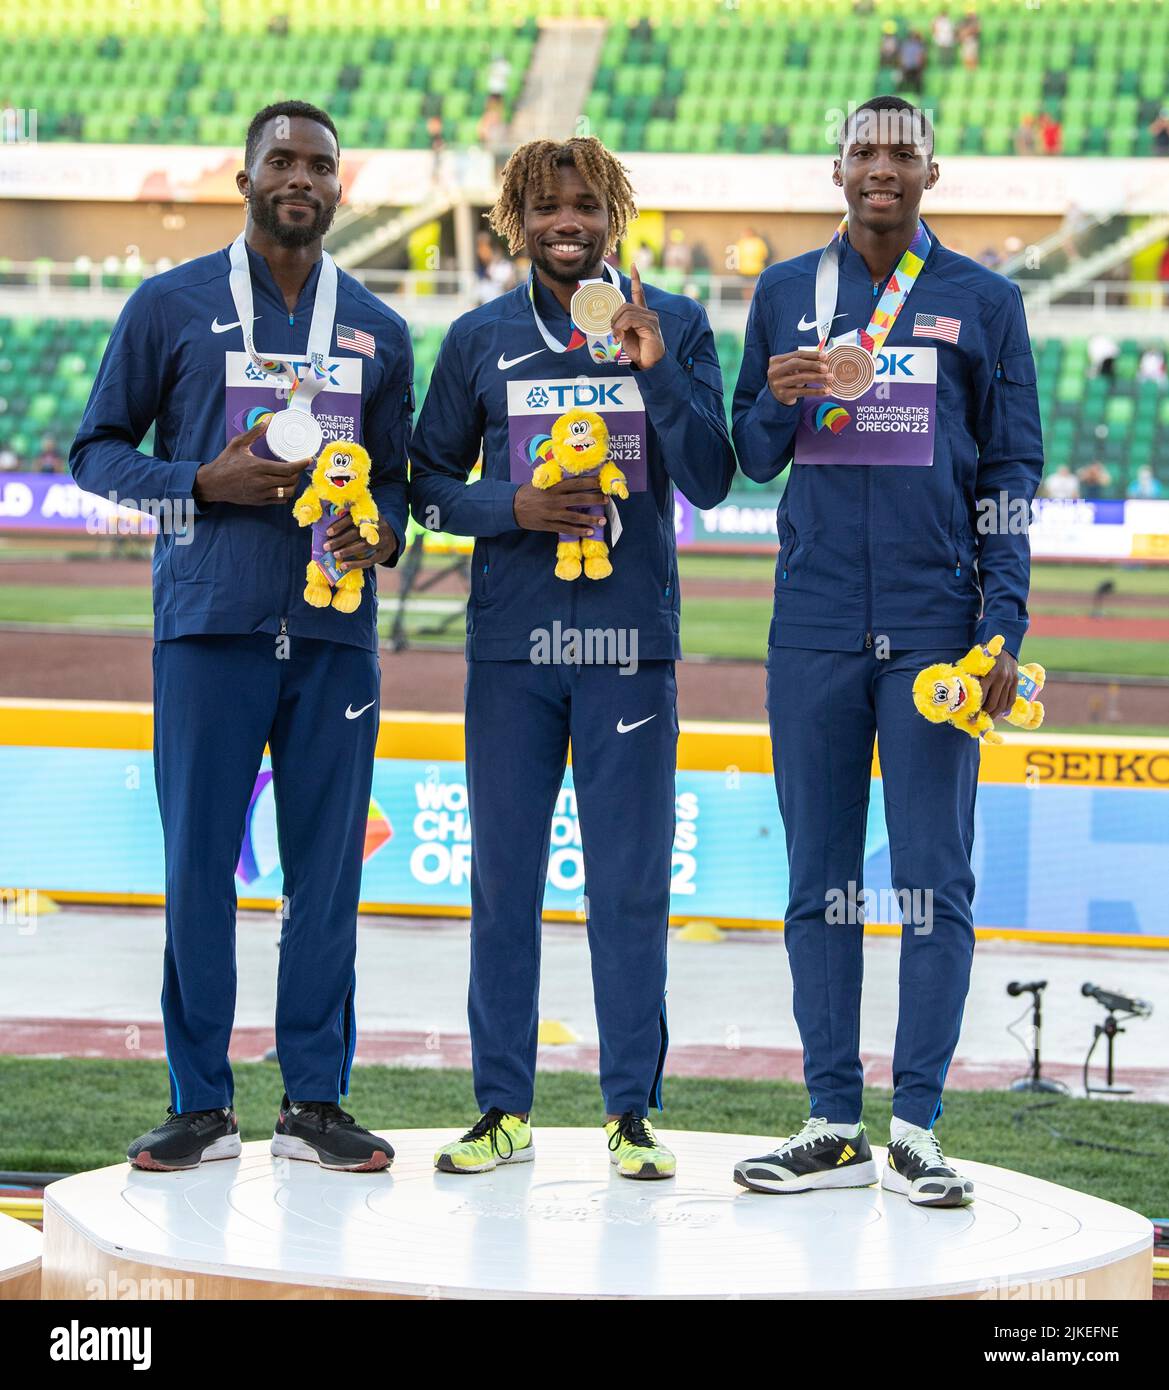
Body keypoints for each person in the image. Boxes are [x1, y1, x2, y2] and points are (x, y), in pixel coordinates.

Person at [69, 100, 413, 1173]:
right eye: (281, 160)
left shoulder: (377, 329)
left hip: (332, 636)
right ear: (247, 176)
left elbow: (398, 484)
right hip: (209, 628)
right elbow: (93, 453)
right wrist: (198, 485)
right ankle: (201, 1102)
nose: (300, 176)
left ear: (338, 187)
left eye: (319, 163)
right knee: (199, 870)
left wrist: (380, 531)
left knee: (327, 878)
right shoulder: (169, 305)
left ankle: (314, 1100)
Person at [730, 95, 1043, 1207]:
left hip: (931, 638)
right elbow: (749, 457)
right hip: (810, 625)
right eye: (862, 150)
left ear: (930, 172)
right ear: (834, 170)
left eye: (899, 152)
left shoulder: (982, 302)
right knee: (817, 883)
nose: (880, 167)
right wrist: (773, 398)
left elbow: (1010, 476)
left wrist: (997, 624)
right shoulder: (782, 292)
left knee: (931, 885)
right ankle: (828, 1121)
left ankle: (914, 1125)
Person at [410, 136, 735, 1181]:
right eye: (547, 205)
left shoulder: (673, 323)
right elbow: (418, 484)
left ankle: (629, 1114)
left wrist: (655, 376)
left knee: (628, 888)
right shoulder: (477, 338)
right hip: (511, 651)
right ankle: (501, 1107)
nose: (568, 220)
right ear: (516, 217)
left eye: (586, 204)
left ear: (613, 214)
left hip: (628, 649)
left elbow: (714, 478)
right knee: (503, 886)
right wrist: (511, 505)